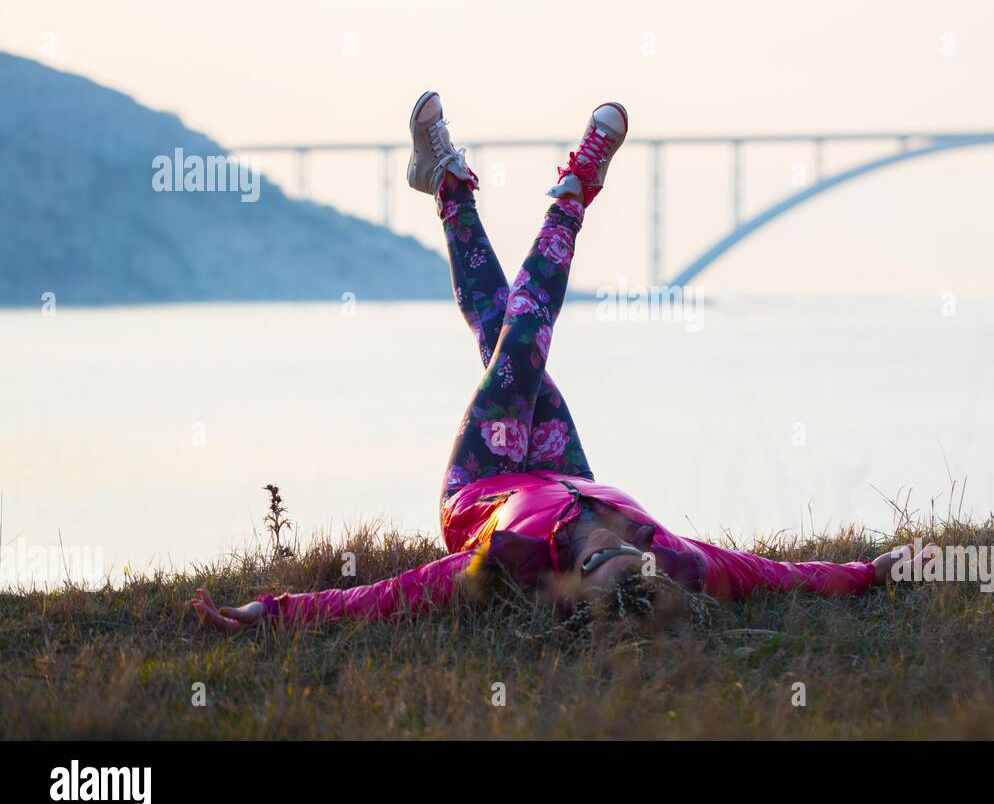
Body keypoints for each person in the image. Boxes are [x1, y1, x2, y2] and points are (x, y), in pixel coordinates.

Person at [193, 93, 925, 632]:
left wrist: (268, 612)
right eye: (633, 551)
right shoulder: (669, 555)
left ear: (575, 577)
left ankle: (571, 190)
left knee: (520, 338)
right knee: (505, 329)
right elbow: (773, 576)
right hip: (564, 466)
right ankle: (448, 185)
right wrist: (870, 572)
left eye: (607, 555)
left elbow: (381, 597)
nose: (627, 539)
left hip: (483, 480)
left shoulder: (506, 556)